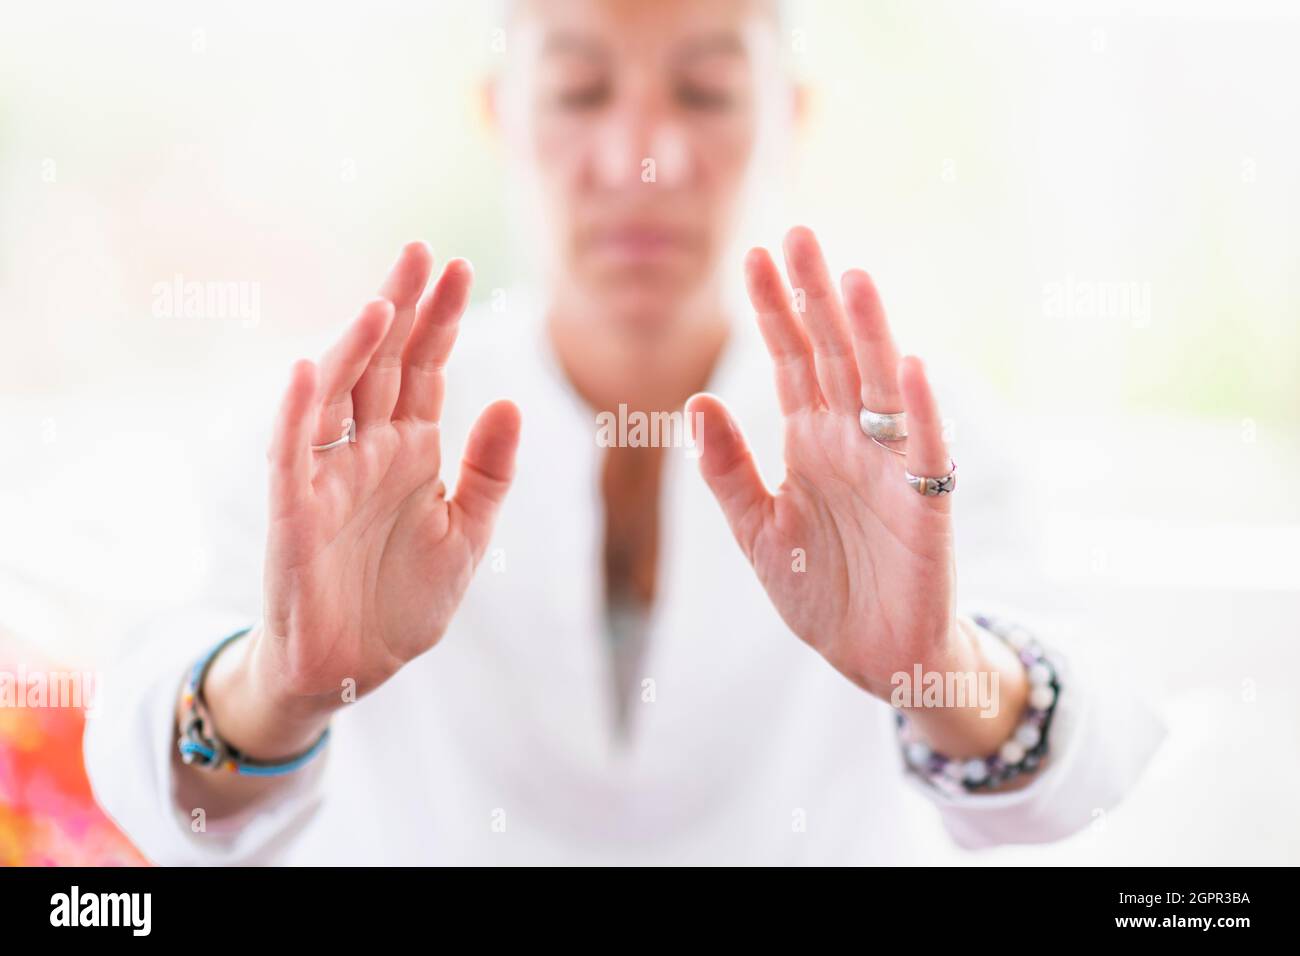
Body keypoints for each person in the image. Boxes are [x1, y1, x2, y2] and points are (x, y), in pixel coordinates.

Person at [84, 0, 1164, 865]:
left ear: (786, 112)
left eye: (705, 91)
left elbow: (1097, 745)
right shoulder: (344, 429)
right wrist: (278, 685)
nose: (640, 153)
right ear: (498, 111)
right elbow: (159, 773)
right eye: (577, 90)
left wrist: (942, 667)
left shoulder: (917, 430)